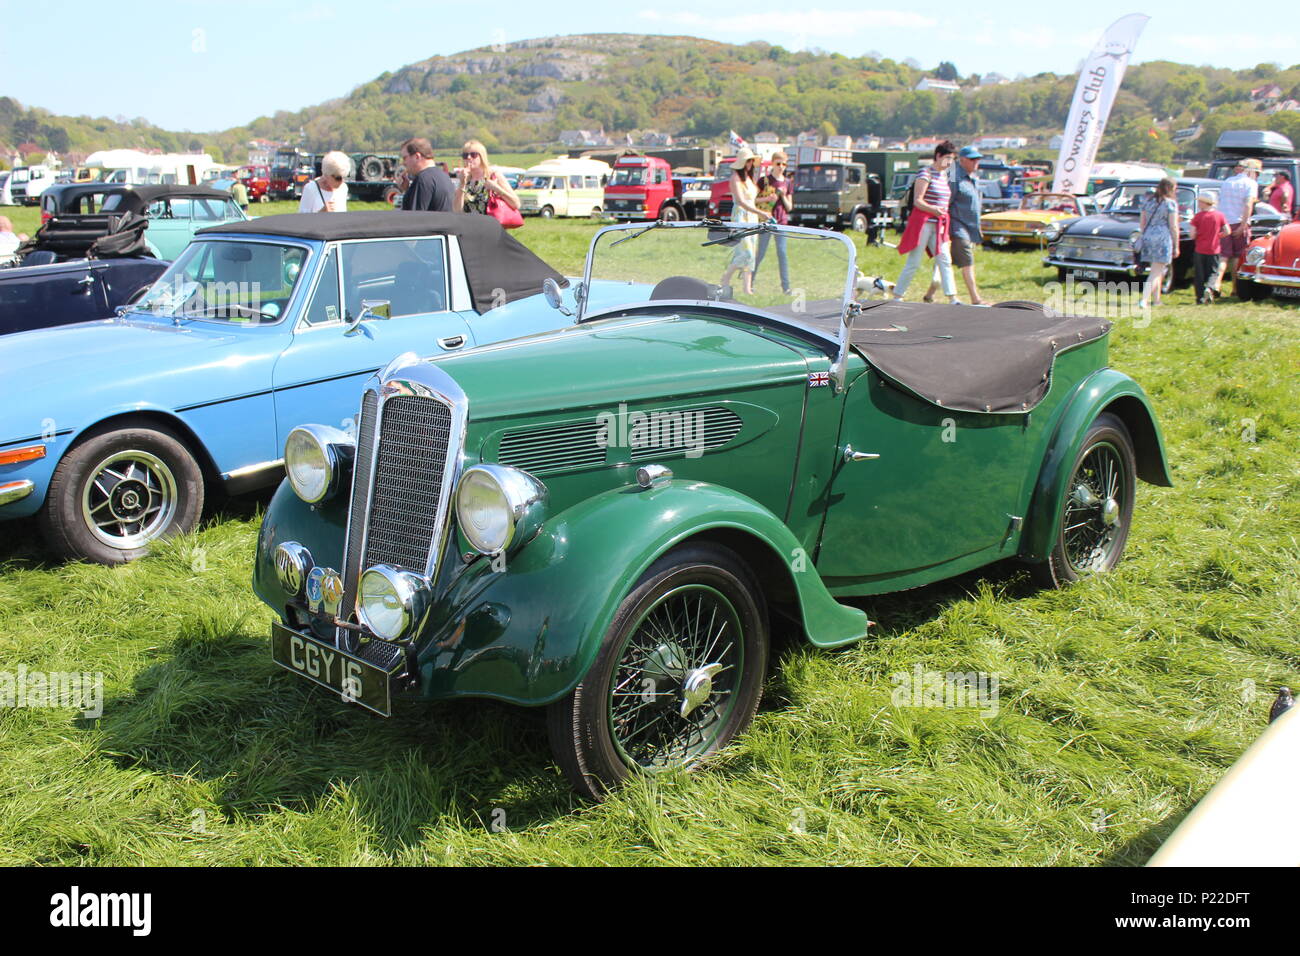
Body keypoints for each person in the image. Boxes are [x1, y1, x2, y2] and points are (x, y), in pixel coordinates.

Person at [893, 141, 959, 304]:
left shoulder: (945, 175)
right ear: (938, 156)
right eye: (948, 158)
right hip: (924, 223)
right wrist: (933, 209)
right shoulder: (925, 173)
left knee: (945, 259)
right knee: (914, 262)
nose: (950, 163)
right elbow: (918, 201)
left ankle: (952, 297)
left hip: (939, 224)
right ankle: (898, 296)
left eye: (952, 159)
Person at [924, 144, 986, 305]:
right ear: (962, 160)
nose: (976, 162)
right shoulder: (954, 176)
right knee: (967, 261)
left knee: (944, 261)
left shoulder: (971, 178)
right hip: (956, 227)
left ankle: (930, 293)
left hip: (967, 226)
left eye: (977, 159)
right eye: (972, 159)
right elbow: (946, 200)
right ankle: (975, 299)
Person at [718, 148, 773, 296]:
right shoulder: (735, 178)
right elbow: (741, 202)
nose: (750, 164)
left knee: (751, 253)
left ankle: (747, 288)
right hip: (741, 217)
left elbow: (751, 200)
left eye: (751, 161)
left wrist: (766, 200)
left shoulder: (749, 179)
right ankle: (726, 277)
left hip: (752, 216)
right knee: (745, 251)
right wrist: (761, 212)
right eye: (748, 161)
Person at [1216, 158, 1260, 298]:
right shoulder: (1251, 183)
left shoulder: (1227, 182)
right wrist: (1243, 224)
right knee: (1238, 256)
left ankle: (1215, 284)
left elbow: (1221, 202)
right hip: (1238, 221)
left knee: (1223, 256)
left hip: (1224, 222)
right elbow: (1248, 204)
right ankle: (1235, 288)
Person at [753, 150, 793, 294]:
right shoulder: (764, 181)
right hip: (766, 220)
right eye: (778, 164)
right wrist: (767, 199)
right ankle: (749, 282)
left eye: (784, 164)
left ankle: (786, 287)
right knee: (761, 253)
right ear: (772, 164)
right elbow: (753, 200)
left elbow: (789, 207)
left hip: (781, 221)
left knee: (782, 253)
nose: (781, 167)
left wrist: (782, 196)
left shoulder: (788, 182)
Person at [1136, 178, 1179, 309]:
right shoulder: (1170, 204)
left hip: (1148, 236)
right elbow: (1173, 226)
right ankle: (1144, 299)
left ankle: (1157, 300)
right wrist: (1176, 245)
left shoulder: (1148, 202)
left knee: (1157, 270)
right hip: (1163, 237)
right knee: (1156, 271)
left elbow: (1142, 223)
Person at [453, 140, 520, 216]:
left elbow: (516, 204)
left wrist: (497, 189)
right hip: (469, 223)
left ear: (482, 157)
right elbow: (457, 211)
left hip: (491, 222)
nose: (469, 158)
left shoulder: (493, 176)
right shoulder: (465, 180)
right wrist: (462, 184)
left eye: (473, 155)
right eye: (465, 155)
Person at [1188, 193, 1229, 305]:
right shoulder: (1219, 215)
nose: (1198, 203)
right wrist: (1218, 236)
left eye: (1200, 201)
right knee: (1214, 272)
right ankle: (1210, 287)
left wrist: (1198, 235)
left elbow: (1192, 234)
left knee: (1199, 275)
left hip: (1200, 249)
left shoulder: (1198, 216)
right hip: (1214, 249)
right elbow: (1227, 231)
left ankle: (1200, 298)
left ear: (1205, 203)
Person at [398, 138, 454, 212]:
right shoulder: (445, 177)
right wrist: (407, 191)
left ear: (417, 156)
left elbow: (413, 216)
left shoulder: (423, 179)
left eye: (405, 158)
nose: (403, 163)